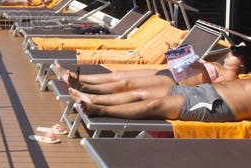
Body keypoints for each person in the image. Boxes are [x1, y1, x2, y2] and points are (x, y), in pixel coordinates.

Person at [56, 45, 251, 95]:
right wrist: (176, 51)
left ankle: (84, 88)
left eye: (233, 54)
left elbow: (214, 93)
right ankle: (79, 79)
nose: (228, 55)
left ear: (242, 63)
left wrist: (201, 68)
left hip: (178, 84)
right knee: (119, 75)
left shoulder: (232, 77)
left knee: (128, 84)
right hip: (173, 72)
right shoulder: (218, 63)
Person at [68, 74, 251, 123]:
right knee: (140, 92)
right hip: (204, 90)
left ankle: (98, 109)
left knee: (155, 105)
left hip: (216, 105)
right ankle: (90, 95)